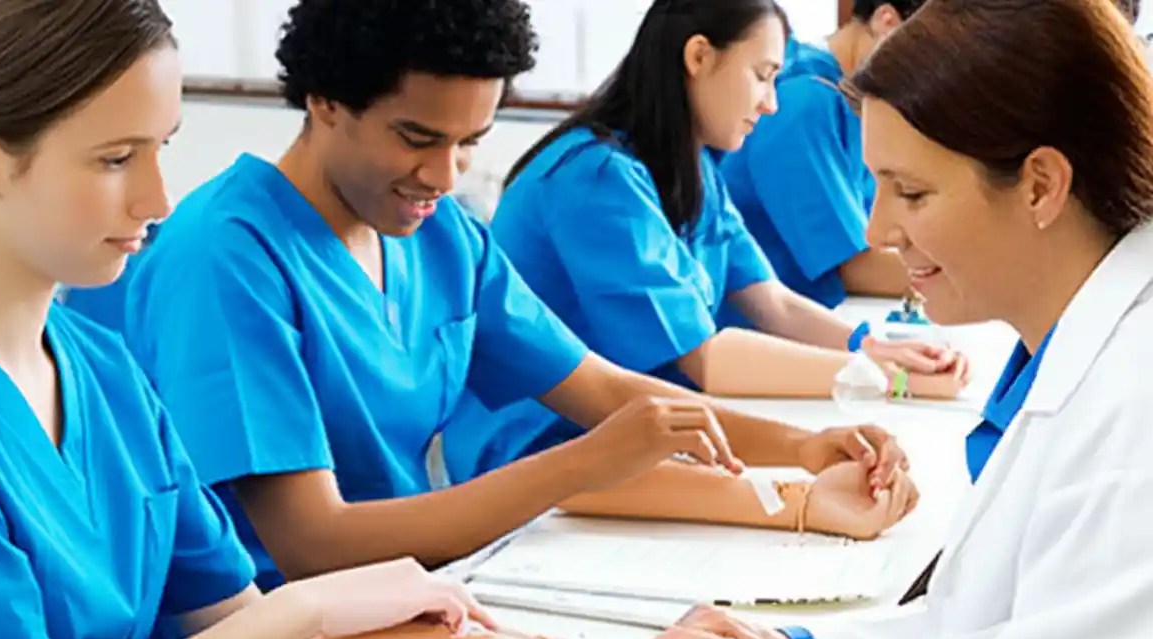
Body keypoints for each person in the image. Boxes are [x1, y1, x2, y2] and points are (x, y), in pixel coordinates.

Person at [123, 0, 916, 602]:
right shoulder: (228, 257)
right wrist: (578, 465)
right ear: (324, 100)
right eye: (416, 137)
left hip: (419, 592)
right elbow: (312, 542)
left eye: (469, 141)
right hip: (282, 638)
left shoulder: (441, 237)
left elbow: (600, 387)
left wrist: (801, 445)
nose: (445, 175)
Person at [0, 2, 497, 639]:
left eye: (160, 149)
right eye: (115, 159)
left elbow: (228, 624)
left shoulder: (102, 370)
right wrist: (304, 606)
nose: (157, 198)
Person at [609, 1, 1153, 639]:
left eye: (913, 193)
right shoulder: (1083, 346)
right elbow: (993, 635)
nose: (877, 228)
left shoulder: (1131, 420)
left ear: (1040, 185)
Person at [442, 0, 964, 485]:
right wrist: (883, 377)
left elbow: (771, 302)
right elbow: (704, 358)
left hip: (645, 426)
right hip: (539, 447)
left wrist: (871, 347)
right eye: (761, 77)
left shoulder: (693, 167)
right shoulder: (597, 177)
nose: (771, 103)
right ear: (698, 56)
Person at [719, 0, 926, 308]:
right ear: (888, 21)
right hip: (764, 326)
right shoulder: (802, 101)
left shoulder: (852, 100)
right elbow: (854, 267)